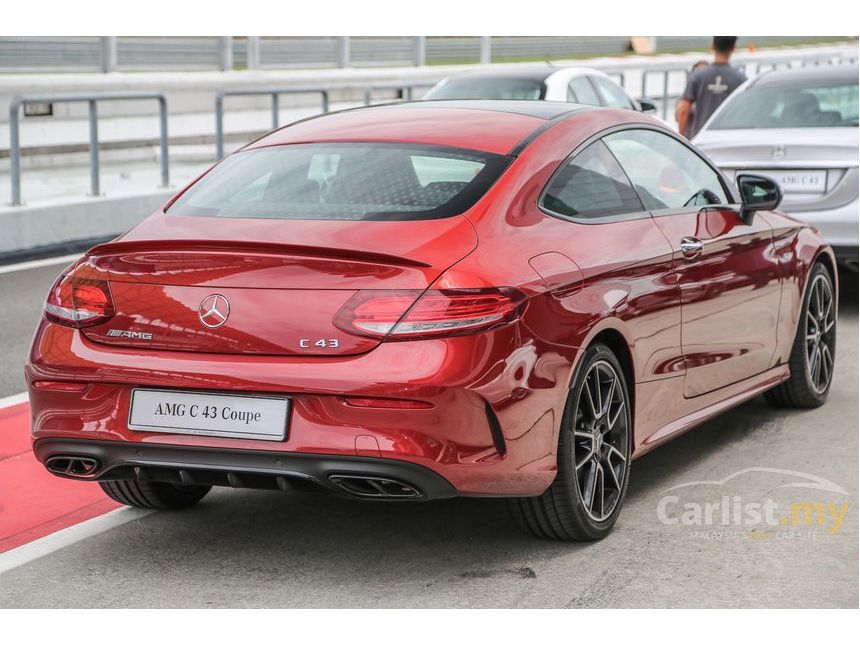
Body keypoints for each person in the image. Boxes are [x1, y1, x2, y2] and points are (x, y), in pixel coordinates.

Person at [676, 37, 746, 140]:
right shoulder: (740, 79)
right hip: (727, 139)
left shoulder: (697, 76)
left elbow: (683, 110)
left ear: (712, 46)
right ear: (734, 48)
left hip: (699, 139)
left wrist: (681, 141)